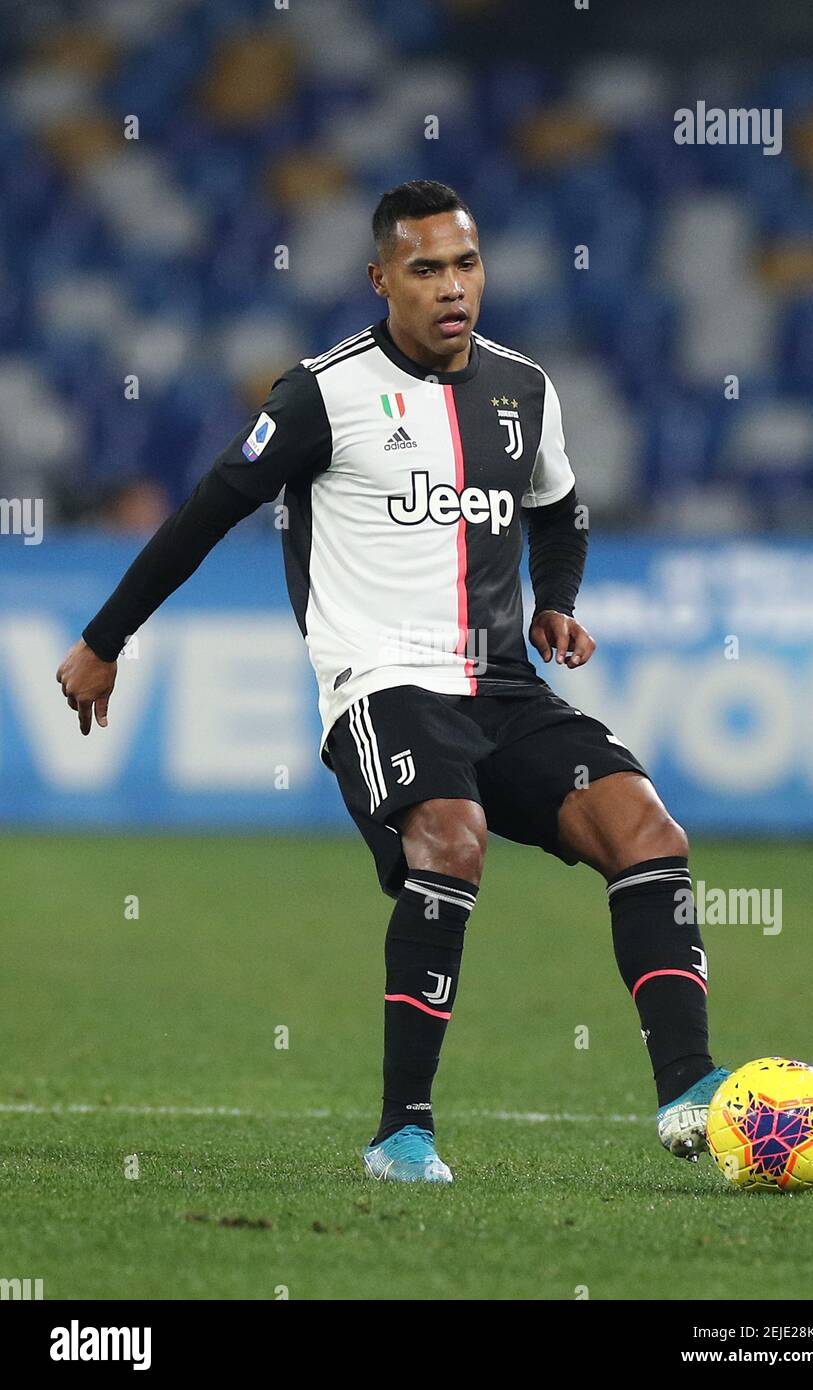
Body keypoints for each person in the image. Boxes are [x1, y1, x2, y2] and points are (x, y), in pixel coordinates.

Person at [56, 180, 728, 1183]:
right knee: (449, 840)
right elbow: (203, 513)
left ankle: (689, 1092)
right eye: (425, 269)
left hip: (502, 686)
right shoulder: (320, 395)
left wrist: (557, 599)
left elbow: (560, 508)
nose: (451, 287)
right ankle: (401, 1133)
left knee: (648, 832)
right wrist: (104, 638)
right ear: (380, 280)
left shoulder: (521, 388)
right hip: (380, 686)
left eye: (464, 264)